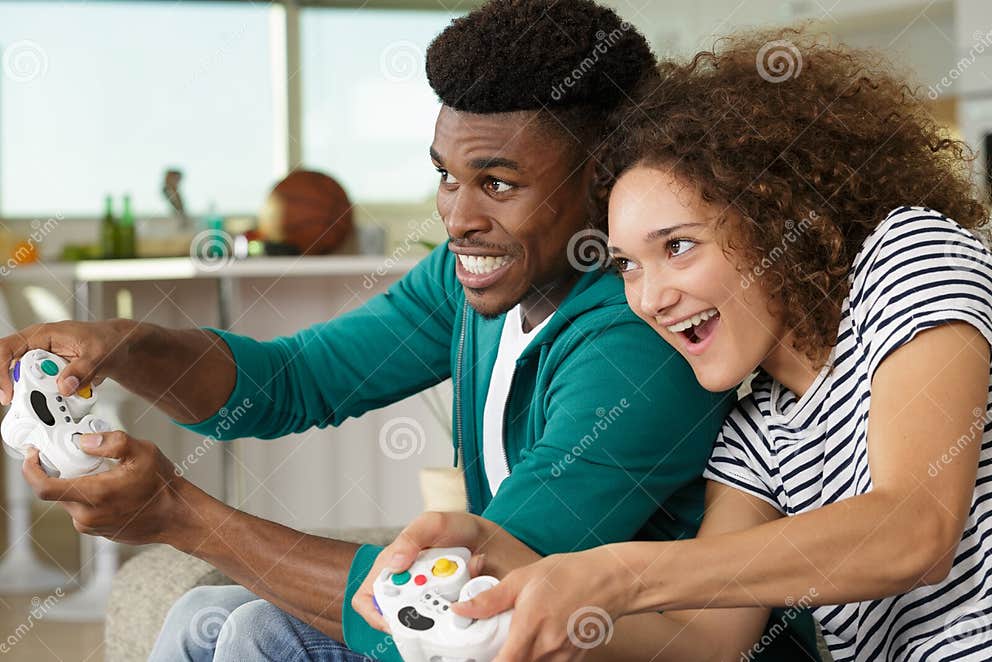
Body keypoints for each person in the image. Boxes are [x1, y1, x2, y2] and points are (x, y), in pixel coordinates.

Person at [0, 4, 814, 661]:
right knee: (214, 614)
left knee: (252, 629)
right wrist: (126, 345)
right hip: (495, 624)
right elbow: (286, 384)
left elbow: (459, 612)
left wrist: (177, 513)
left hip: (552, 637)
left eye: (498, 183)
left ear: (607, 179)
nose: (458, 219)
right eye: (446, 176)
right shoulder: (476, 280)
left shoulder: (639, 346)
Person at [364, 29, 992, 661]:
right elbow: (704, 643)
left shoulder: (909, 259)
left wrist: (615, 574)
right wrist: (506, 565)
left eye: (678, 246)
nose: (650, 298)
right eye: (627, 266)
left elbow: (914, 532)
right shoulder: (758, 433)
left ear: (775, 217)